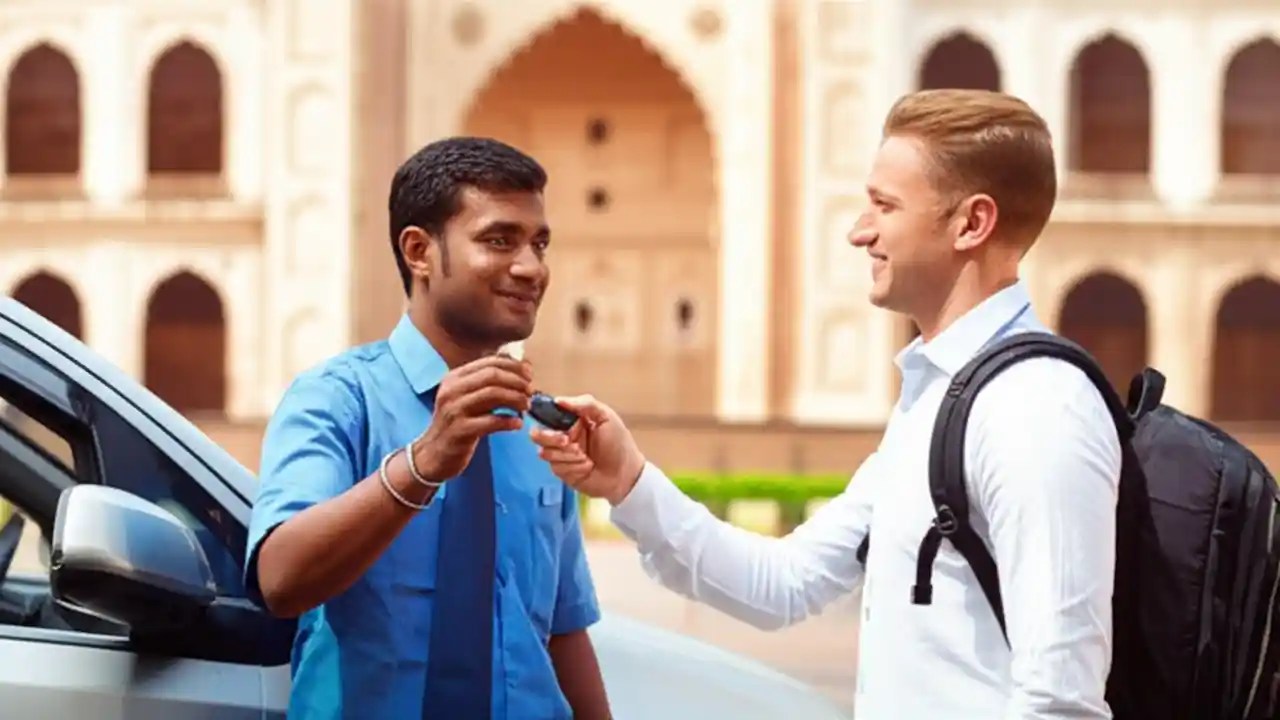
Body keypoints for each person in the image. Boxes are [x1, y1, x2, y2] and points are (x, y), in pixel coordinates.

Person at [529, 89, 1123, 719]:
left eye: (884, 206)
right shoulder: (941, 401)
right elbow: (785, 583)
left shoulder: (1035, 410)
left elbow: (1061, 702)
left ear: (971, 223)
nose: (859, 231)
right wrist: (629, 482)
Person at [245, 137, 611, 720]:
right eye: (499, 240)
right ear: (419, 251)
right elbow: (281, 580)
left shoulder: (536, 425)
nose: (532, 268)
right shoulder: (338, 400)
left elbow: (562, 630)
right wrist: (421, 465)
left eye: (539, 244)